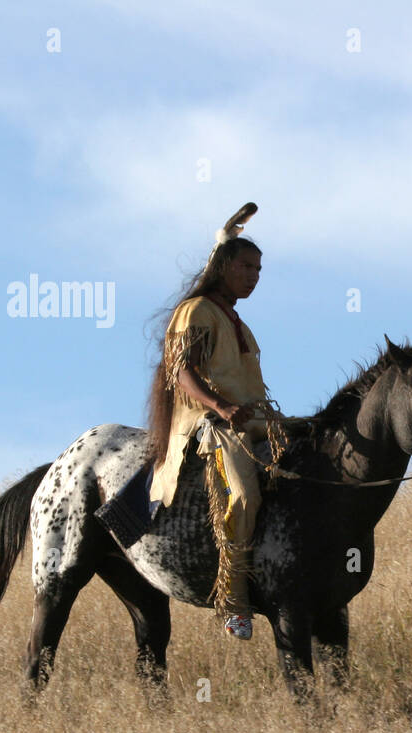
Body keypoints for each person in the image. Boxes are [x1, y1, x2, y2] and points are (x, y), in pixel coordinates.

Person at [146, 203, 277, 640]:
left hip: (253, 420)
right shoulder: (197, 310)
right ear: (223, 266)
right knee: (242, 494)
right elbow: (178, 370)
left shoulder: (239, 321)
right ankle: (234, 601)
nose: (254, 276)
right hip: (210, 424)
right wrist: (220, 408)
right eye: (245, 266)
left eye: (258, 269)